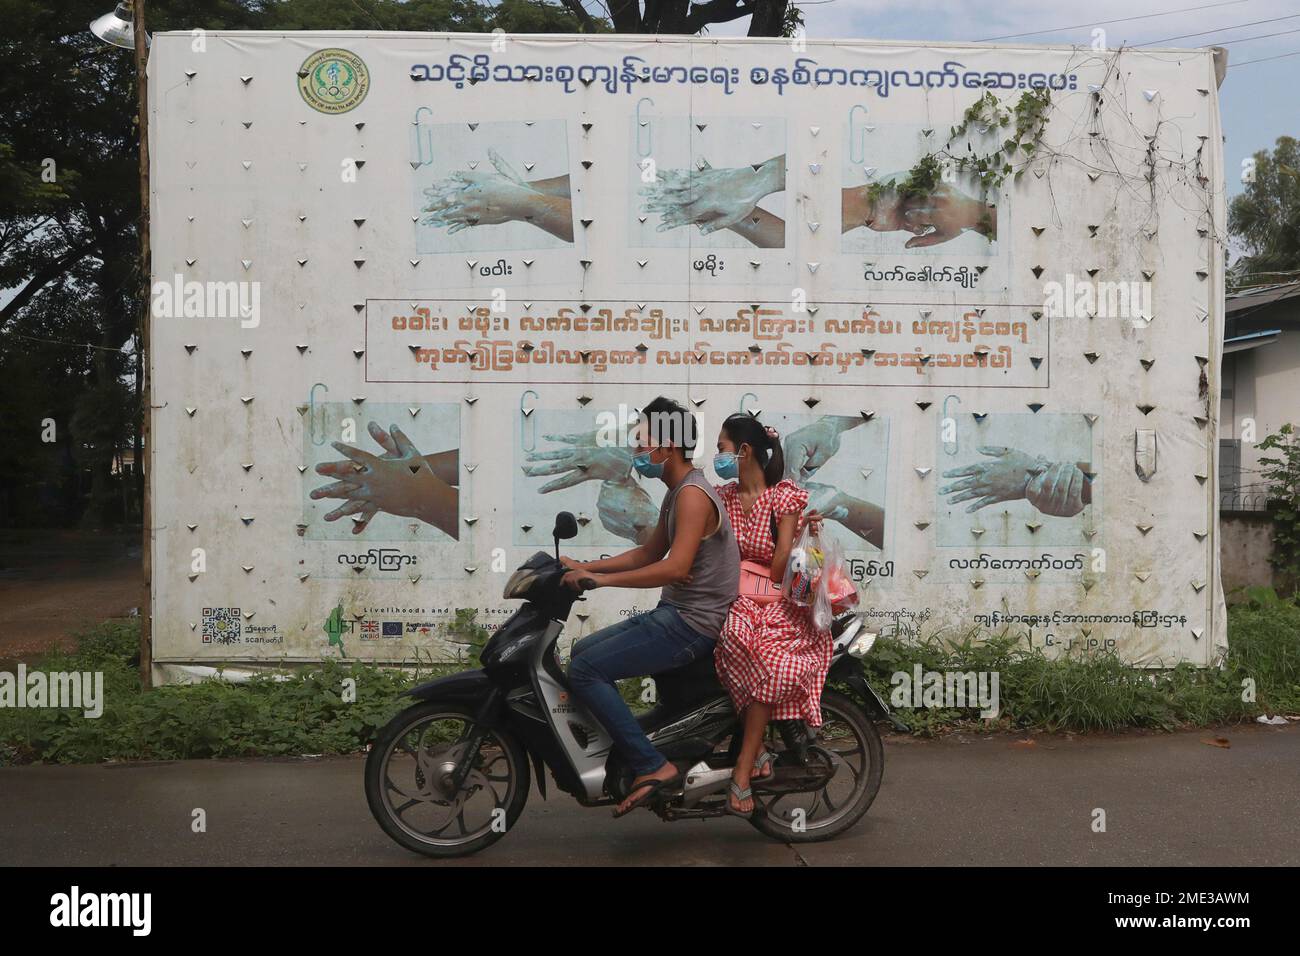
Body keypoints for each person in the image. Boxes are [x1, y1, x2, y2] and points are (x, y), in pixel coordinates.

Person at [561, 397, 741, 817]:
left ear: (670, 447)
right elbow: (646, 554)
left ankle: (651, 766)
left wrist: (601, 581)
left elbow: (674, 567)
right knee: (582, 653)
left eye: (643, 443)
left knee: (586, 670)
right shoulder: (678, 492)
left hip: (691, 625)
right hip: (676, 615)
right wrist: (585, 565)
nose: (637, 452)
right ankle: (628, 750)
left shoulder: (693, 496)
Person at [710, 414, 831, 816]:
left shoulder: (784, 498)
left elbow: (780, 565)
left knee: (768, 657)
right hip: (737, 598)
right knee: (732, 639)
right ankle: (756, 748)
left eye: (722, 448)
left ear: (744, 451)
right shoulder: (722, 497)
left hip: (778, 602)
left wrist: (790, 540)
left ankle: (743, 770)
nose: (718, 456)